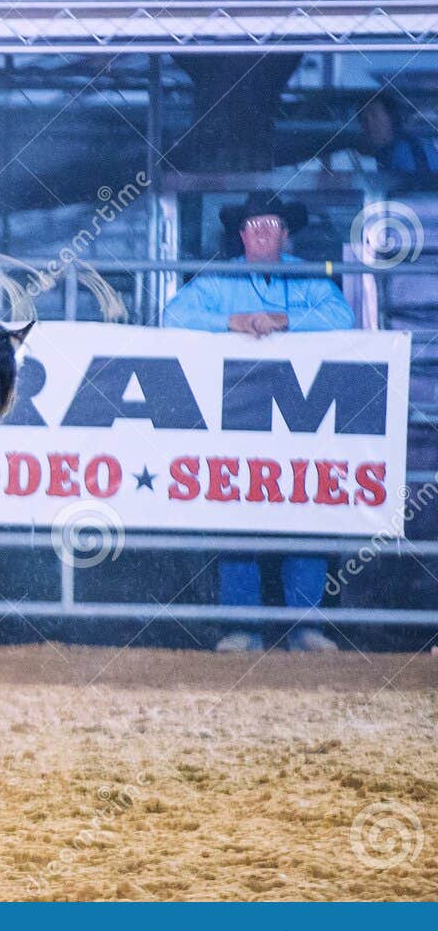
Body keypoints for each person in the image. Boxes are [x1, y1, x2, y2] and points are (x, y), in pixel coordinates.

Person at [163, 194, 354, 652]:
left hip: (301, 419)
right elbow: (174, 316)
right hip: (238, 416)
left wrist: (284, 320)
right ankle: (241, 626)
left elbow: (341, 317)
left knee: (308, 507)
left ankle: (306, 627)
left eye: (271, 225)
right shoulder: (220, 278)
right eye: (253, 225)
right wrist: (232, 321)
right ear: (242, 235)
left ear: (286, 234)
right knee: (237, 509)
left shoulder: (308, 275)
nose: (262, 233)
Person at [360, 94, 438, 176]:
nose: (368, 124)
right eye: (363, 118)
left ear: (391, 118)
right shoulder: (387, 150)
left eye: (374, 115)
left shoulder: (407, 152)